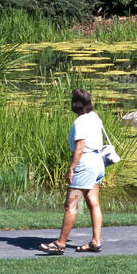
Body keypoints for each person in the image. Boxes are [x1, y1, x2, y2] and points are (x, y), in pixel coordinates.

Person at [40, 88, 105, 253]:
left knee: (71, 205)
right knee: (93, 203)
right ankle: (96, 241)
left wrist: (71, 168)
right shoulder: (94, 117)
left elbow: (80, 147)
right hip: (98, 163)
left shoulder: (80, 122)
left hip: (85, 165)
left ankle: (60, 244)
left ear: (75, 105)